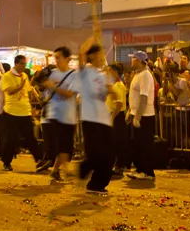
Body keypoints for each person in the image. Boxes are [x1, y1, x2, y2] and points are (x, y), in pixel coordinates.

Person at [76, 41, 116, 195]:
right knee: (96, 153)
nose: (102, 57)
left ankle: (97, 184)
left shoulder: (102, 75)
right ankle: (85, 171)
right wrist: (89, 42)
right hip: (90, 118)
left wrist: (108, 89)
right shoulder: (85, 72)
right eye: (100, 54)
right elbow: (81, 56)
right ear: (92, 56)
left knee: (109, 154)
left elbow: (103, 96)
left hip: (103, 117)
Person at [0, 54, 43, 172]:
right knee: (10, 139)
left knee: (30, 137)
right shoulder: (7, 76)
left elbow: (28, 91)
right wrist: (20, 86)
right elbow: (9, 91)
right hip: (11, 112)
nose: (24, 66)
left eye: (25, 63)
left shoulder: (24, 75)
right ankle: (6, 162)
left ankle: (39, 159)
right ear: (16, 63)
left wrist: (34, 104)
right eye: (22, 63)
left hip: (25, 112)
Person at [39, 47, 77, 182]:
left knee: (65, 146)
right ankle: (66, 170)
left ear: (67, 59)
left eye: (59, 57)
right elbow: (41, 86)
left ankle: (56, 170)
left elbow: (69, 94)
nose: (56, 60)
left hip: (67, 116)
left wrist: (53, 86)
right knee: (60, 145)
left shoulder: (74, 75)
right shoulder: (52, 73)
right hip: (53, 115)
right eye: (55, 58)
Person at [127, 51, 156, 181]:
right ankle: (139, 169)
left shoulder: (145, 75)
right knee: (137, 145)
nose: (131, 61)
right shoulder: (137, 74)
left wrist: (138, 116)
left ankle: (147, 171)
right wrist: (130, 111)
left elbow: (144, 97)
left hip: (145, 116)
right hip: (137, 113)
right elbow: (134, 96)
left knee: (145, 145)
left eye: (133, 58)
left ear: (138, 61)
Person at [107, 63, 130, 176]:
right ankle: (115, 164)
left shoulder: (119, 86)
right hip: (113, 115)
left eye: (110, 71)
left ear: (115, 72)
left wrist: (112, 117)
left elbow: (119, 104)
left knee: (118, 142)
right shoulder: (113, 85)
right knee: (113, 142)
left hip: (117, 116)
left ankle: (119, 166)